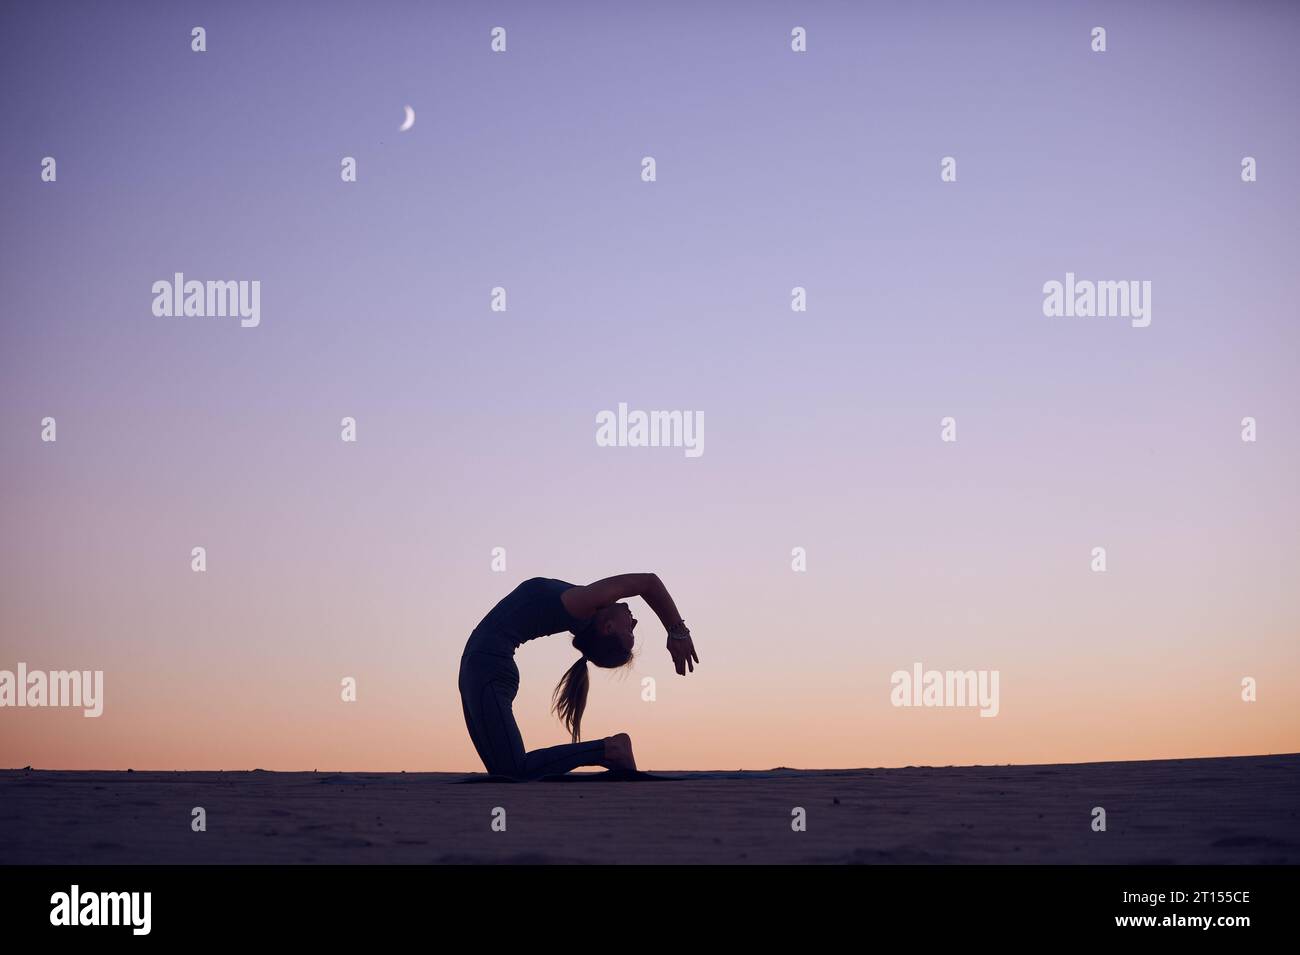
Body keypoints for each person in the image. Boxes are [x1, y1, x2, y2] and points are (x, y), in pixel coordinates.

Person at [457, 574, 698, 780]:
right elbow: (647, 583)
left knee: (512, 773)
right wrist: (676, 630)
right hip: (479, 667)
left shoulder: (582, 606)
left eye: (630, 630)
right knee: (505, 772)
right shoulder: (582, 603)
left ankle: (610, 749)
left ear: (609, 628)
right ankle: (608, 750)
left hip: (487, 667)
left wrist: (678, 632)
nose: (634, 621)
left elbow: (648, 583)